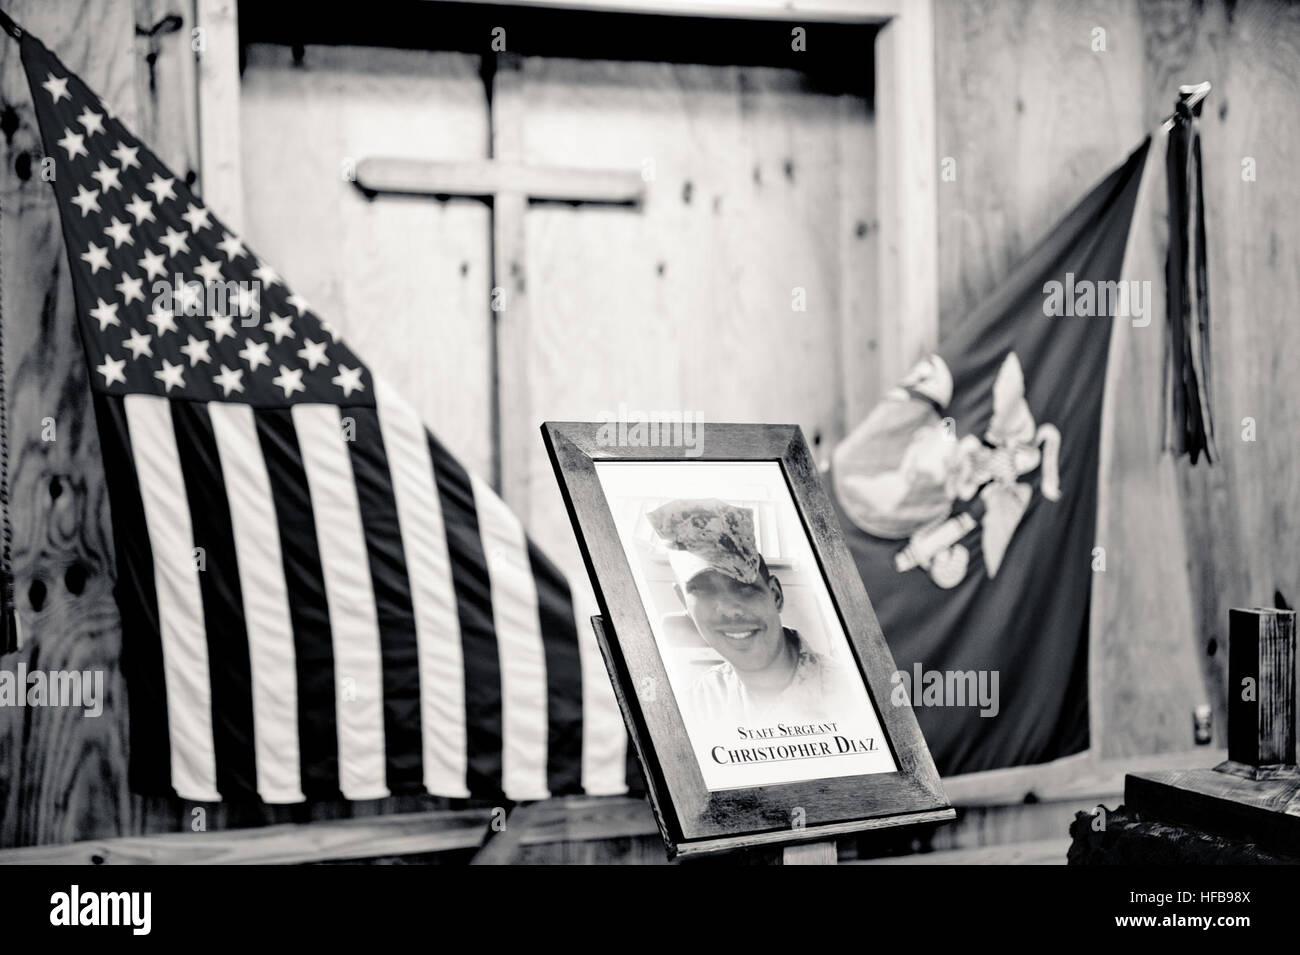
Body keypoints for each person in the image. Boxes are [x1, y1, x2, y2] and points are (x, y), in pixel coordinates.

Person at [647, 498, 849, 728]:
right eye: (704, 590)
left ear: (775, 595)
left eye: (743, 587)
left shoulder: (856, 695)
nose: (729, 609)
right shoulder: (694, 709)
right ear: (684, 603)